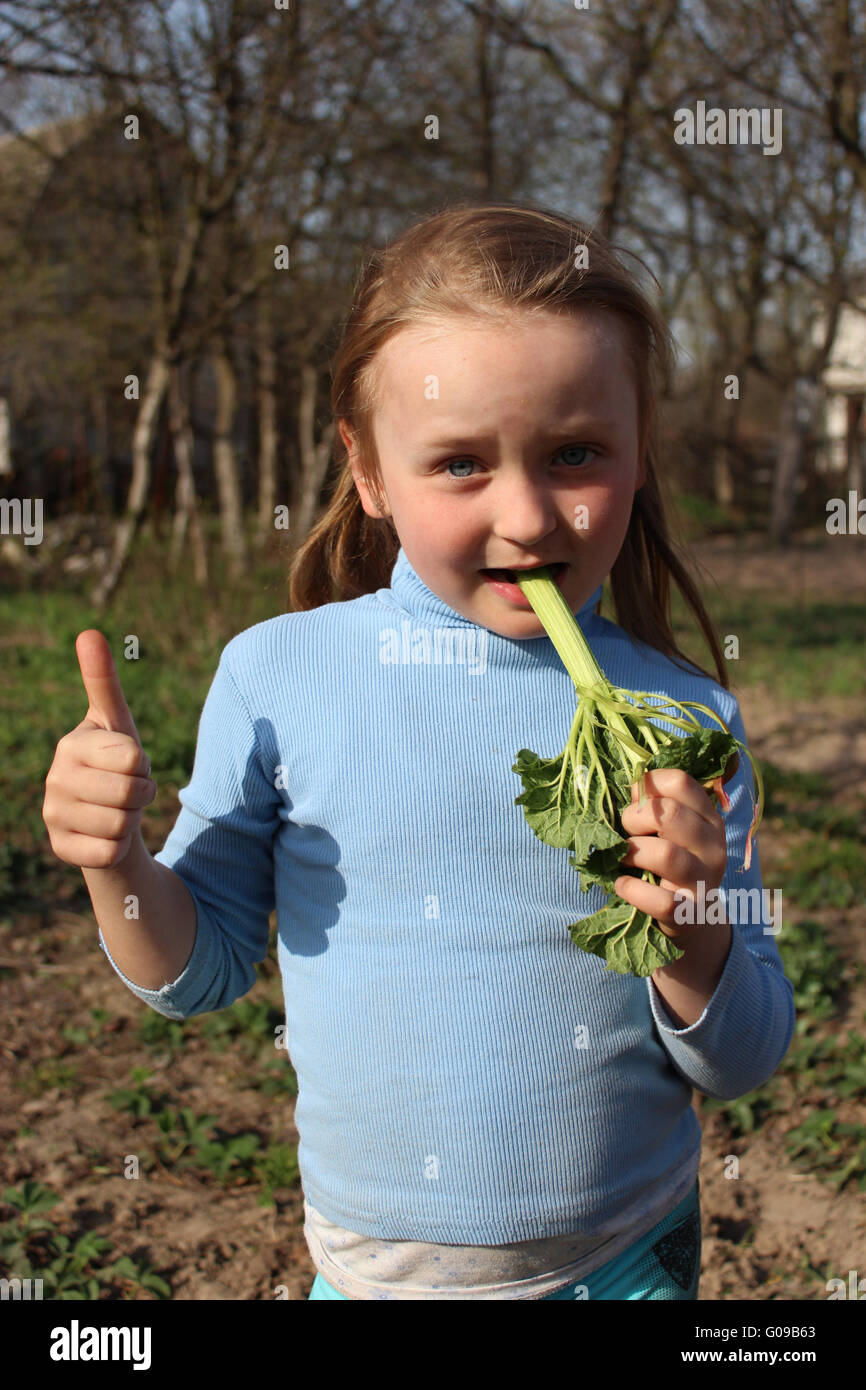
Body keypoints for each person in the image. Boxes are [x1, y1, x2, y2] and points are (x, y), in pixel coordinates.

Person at [43, 200, 795, 1300]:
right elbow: (195, 974)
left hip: (624, 1258)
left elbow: (741, 1057)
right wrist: (116, 863)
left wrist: (689, 939)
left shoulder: (685, 721)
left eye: (574, 454)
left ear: (639, 456)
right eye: (458, 464)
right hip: (371, 1274)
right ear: (368, 471)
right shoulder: (276, 676)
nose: (528, 515)